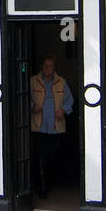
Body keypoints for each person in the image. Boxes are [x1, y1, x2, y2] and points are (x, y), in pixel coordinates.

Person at [30, 55, 74, 198]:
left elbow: (70, 100)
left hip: (56, 126)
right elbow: (25, 98)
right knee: (41, 157)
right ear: (42, 67)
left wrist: (64, 110)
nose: (47, 68)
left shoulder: (61, 82)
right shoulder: (33, 81)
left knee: (53, 157)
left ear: (54, 68)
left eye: (50, 66)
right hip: (39, 126)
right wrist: (32, 107)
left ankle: (50, 182)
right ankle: (43, 188)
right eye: (45, 65)